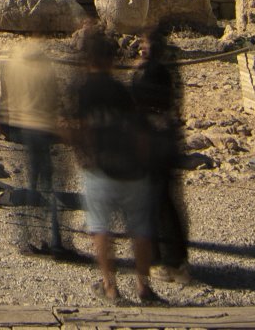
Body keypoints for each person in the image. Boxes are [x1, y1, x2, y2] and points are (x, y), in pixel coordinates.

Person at [65, 28, 156, 303]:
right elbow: (140, 130)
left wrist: (80, 153)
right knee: (139, 230)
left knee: (101, 229)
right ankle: (143, 285)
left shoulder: (81, 90)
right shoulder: (122, 90)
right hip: (132, 167)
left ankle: (110, 285)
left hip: (100, 166)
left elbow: (76, 128)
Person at [132, 23, 191, 284]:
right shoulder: (168, 71)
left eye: (144, 43)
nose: (140, 47)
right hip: (164, 137)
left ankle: (163, 260)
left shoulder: (147, 73)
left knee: (155, 204)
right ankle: (173, 260)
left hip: (149, 140)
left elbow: (137, 104)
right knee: (164, 203)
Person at [0, 38, 67, 255]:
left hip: (27, 128)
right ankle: (52, 238)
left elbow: (6, 102)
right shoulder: (44, 73)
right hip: (42, 130)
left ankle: (34, 238)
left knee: (34, 185)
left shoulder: (18, 70)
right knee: (46, 186)